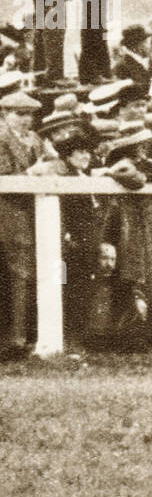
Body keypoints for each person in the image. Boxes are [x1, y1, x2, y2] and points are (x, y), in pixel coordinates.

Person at [0, 90, 44, 356]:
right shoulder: (1, 139)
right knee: (16, 274)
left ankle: (27, 335)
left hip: (31, 212)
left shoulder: (36, 139)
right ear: (5, 114)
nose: (26, 120)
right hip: (8, 212)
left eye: (29, 115)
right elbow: (3, 175)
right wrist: (32, 172)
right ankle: (13, 338)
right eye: (20, 114)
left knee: (30, 273)